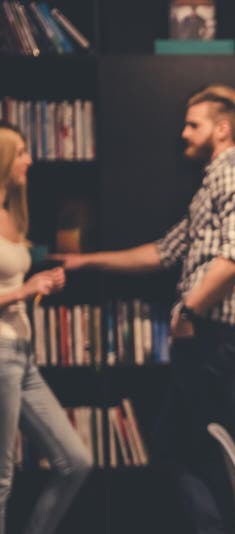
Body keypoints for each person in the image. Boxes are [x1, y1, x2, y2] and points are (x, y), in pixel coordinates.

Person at [51, 85, 235, 534]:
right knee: (199, 453)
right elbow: (162, 252)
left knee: (196, 453)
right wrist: (86, 261)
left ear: (222, 129)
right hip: (209, 338)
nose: (184, 133)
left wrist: (188, 311)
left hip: (215, 337)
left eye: (194, 124)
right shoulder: (213, 184)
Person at [0, 122, 92, 534]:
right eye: (21, 151)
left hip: (22, 354)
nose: (29, 159)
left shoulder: (10, 214)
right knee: (2, 477)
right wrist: (25, 291)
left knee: (76, 461)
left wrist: (39, 284)